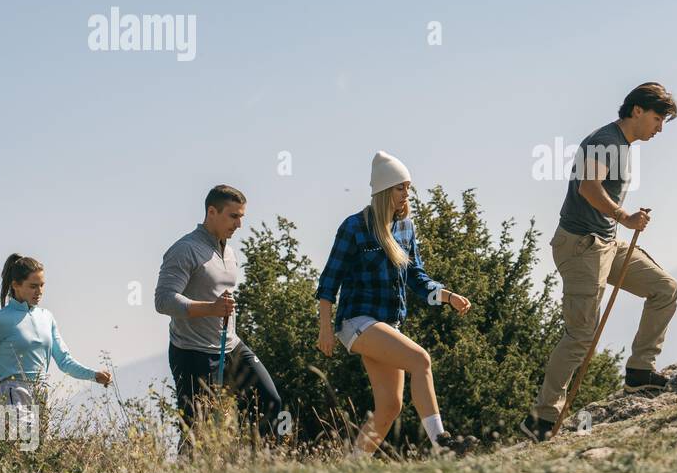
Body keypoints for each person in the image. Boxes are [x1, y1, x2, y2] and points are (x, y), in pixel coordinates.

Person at [522, 82, 677, 441]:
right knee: (581, 335)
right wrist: (625, 216)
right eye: (658, 119)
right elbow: (588, 187)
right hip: (580, 247)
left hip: (606, 243)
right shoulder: (603, 141)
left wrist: (620, 222)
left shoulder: (623, 145)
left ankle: (640, 370)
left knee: (665, 289)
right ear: (637, 111)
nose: (659, 129)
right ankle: (542, 418)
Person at [316, 151, 475, 457]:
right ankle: (441, 444)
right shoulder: (354, 227)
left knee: (390, 406)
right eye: (401, 187)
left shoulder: (405, 229)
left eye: (408, 187)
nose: (406, 193)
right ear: (384, 190)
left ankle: (352, 470)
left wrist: (448, 296)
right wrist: (325, 328)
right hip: (356, 322)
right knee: (421, 360)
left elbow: (417, 277)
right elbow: (328, 283)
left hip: (388, 324)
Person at [154, 185, 284, 456]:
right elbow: (164, 301)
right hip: (192, 353)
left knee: (270, 401)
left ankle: (263, 469)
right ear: (211, 212)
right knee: (197, 431)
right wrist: (211, 309)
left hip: (231, 346)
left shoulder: (229, 252)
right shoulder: (185, 250)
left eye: (241, 217)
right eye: (233, 216)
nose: (239, 224)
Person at [0, 253, 112, 414]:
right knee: (19, 439)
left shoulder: (47, 317)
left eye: (42, 285)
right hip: (12, 395)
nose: (39, 291)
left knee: (39, 440)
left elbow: (65, 361)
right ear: (15, 285)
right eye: (33, 286)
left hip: (41, 396)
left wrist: (94, 376)